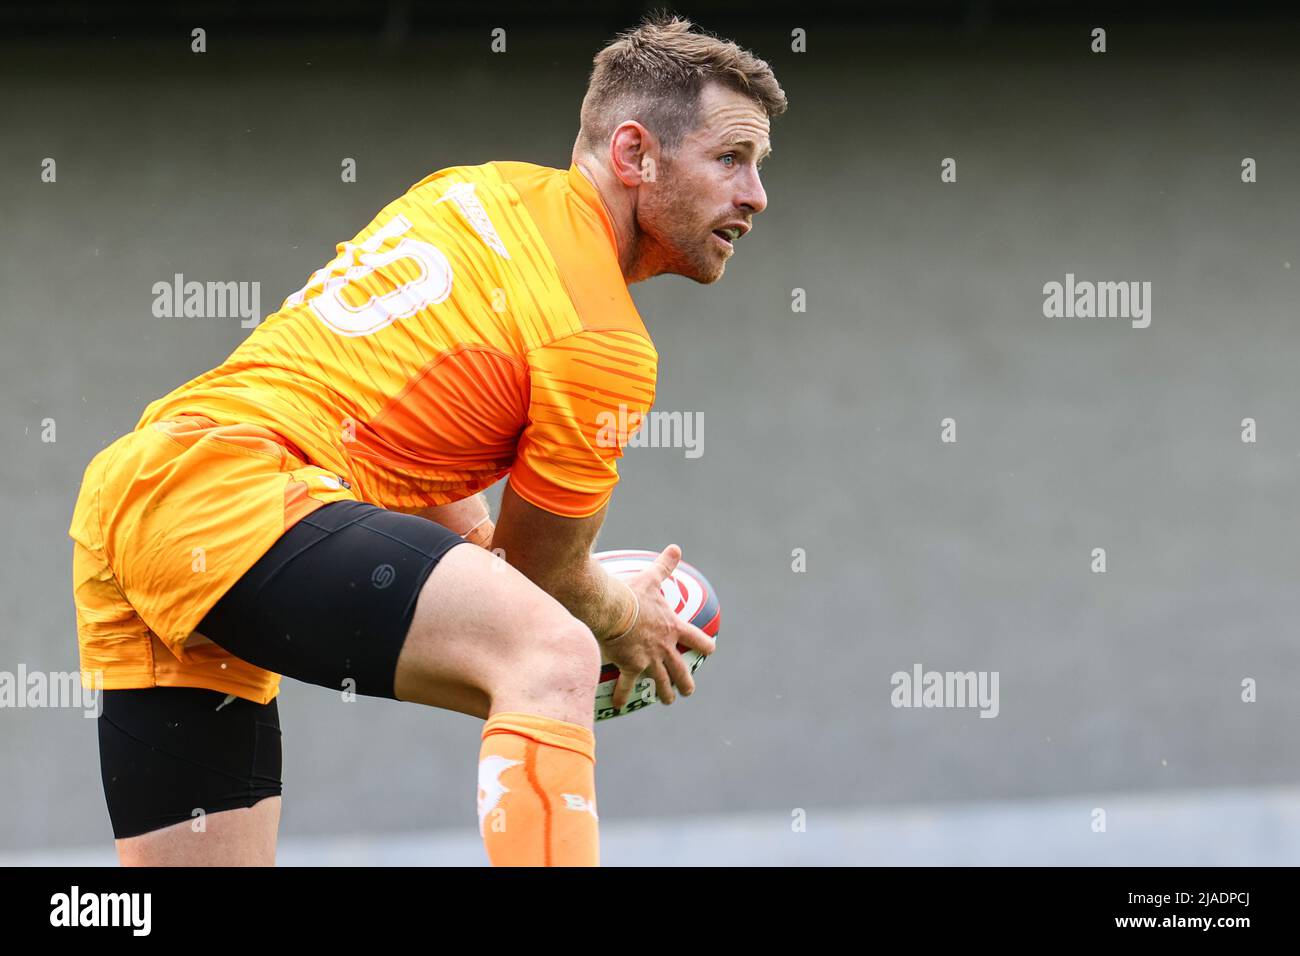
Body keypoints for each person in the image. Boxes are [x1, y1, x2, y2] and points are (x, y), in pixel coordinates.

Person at [69, 13, 786, 867]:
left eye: (759, 167)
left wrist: (481, 553)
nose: (756, 196)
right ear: (634, 155)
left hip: (144, 492)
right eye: (730, 160)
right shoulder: (601, 343)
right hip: (235, 494)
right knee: (548, 651)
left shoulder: (473, 190)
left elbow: (397, 418)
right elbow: (542, 578)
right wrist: (625, 617)